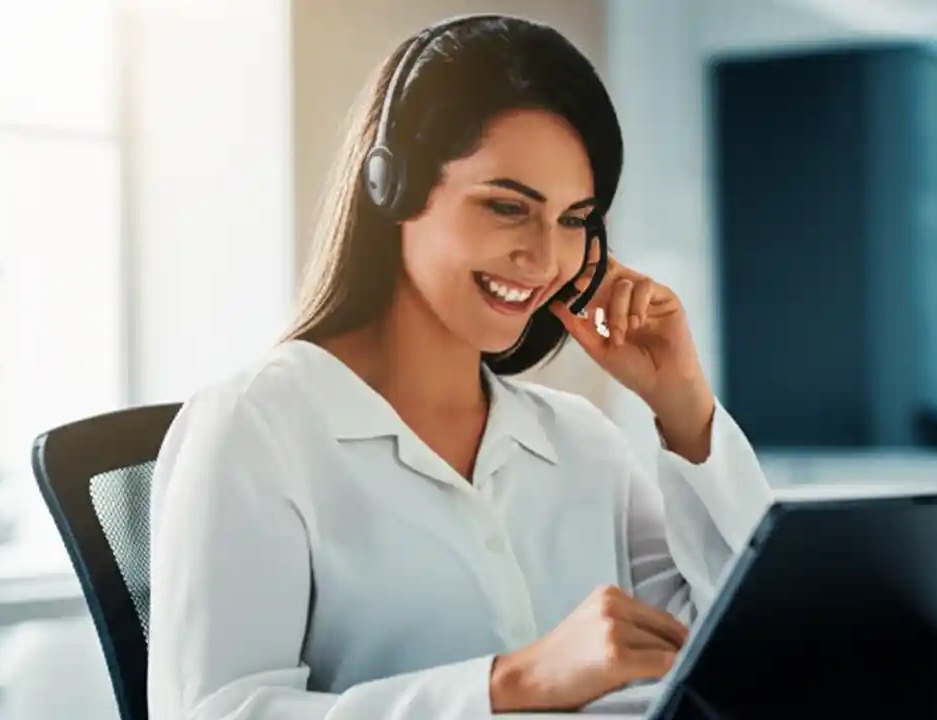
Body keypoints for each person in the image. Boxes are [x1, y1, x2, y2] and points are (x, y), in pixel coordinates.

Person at [147, 14, 771, 718]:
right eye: (508, 207)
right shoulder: (256, 427)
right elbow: (215, 712)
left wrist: (683, 405)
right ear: (394, 188)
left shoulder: (579, 441)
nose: (543, 259)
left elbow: (740, 651)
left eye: (574, 220)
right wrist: (510, 684)